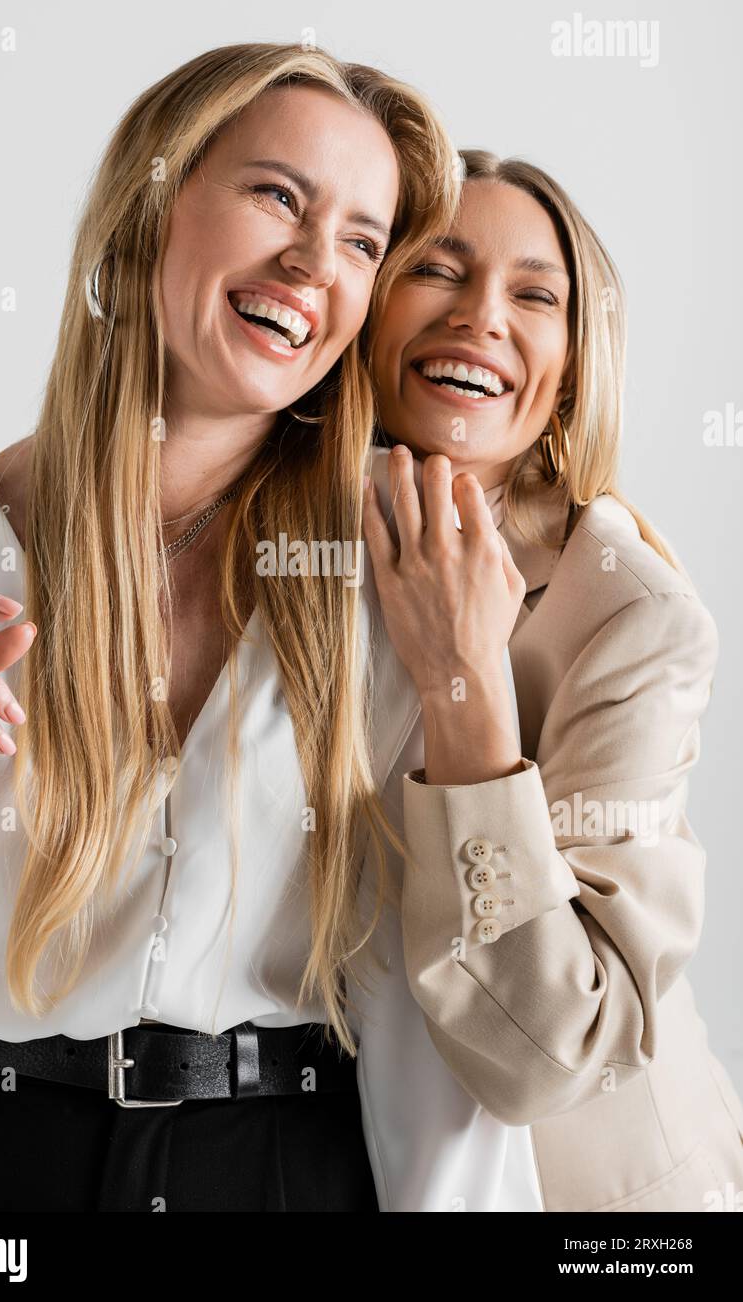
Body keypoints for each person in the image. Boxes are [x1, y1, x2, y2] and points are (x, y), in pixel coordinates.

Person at [0, 41, 460, 1212]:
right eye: (277, 196)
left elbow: (434, 999)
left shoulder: (396, 576)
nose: (313, 262)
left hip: (288, 1170)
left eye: (361, 239)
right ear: (152, 199)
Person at [360, 149, 743, 1211]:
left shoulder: (631, 616)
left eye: (535, 295)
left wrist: (462, 678)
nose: (483, 317)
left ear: (570, 368)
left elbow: (552, 1048)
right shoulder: (290, 551)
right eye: (438, 269)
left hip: (602, 1204)